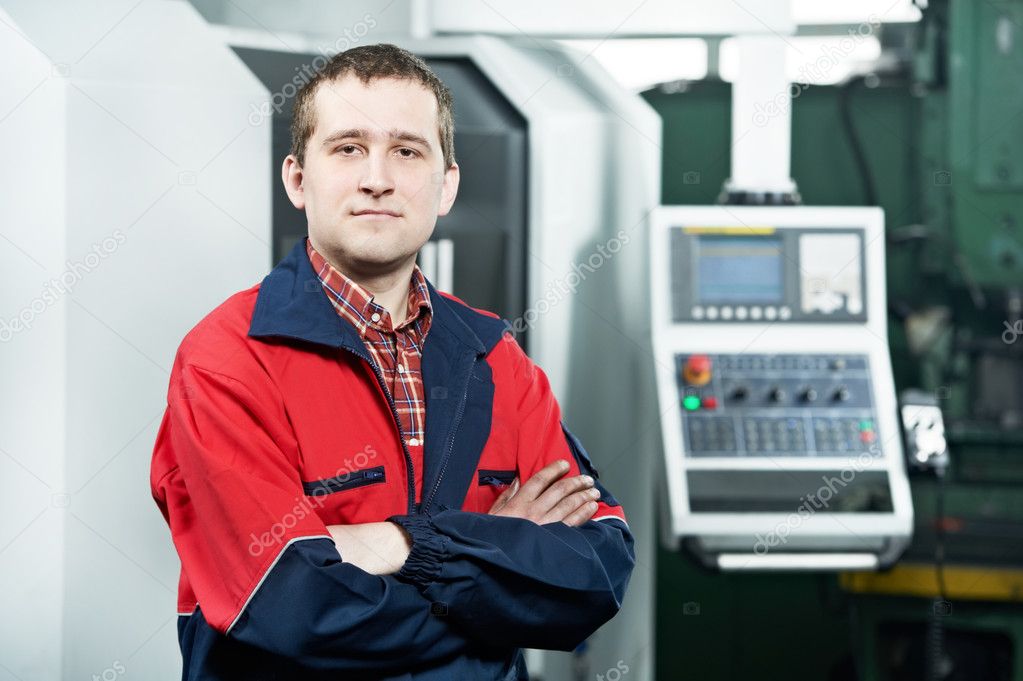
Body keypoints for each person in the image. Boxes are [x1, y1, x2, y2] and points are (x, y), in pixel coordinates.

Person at [150, 43, 634, 681]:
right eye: (348, 148)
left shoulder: (495, 356)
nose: (377, 178)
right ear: (298, 180)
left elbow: (594, 573)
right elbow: (290, 607)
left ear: (446, 185)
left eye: (407, 151)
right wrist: (492, 554)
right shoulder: (226, 361)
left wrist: (396, 545)